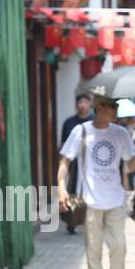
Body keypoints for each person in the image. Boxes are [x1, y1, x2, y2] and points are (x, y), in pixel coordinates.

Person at [58, 93, 135, 269]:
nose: (113, 110)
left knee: (119, 246)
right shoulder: (82, 131)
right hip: (90, 200)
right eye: (108, 106)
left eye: (115, 107)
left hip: (115, 198)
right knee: (93, 250)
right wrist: (61, 189)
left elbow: (131, 166)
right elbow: (65, 160)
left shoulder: (121, 133)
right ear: (98, 107)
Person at [59, 93, 95, 234]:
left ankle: (88, 219)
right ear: (76, 104)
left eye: (85, 102)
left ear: (90, 105)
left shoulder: (93, 122)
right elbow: (62, 144)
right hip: (72, 163)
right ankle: (72, 220)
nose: (82, 105)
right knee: (73, 191)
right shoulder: (69, 122)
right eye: (80, 102)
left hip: (89, 162)